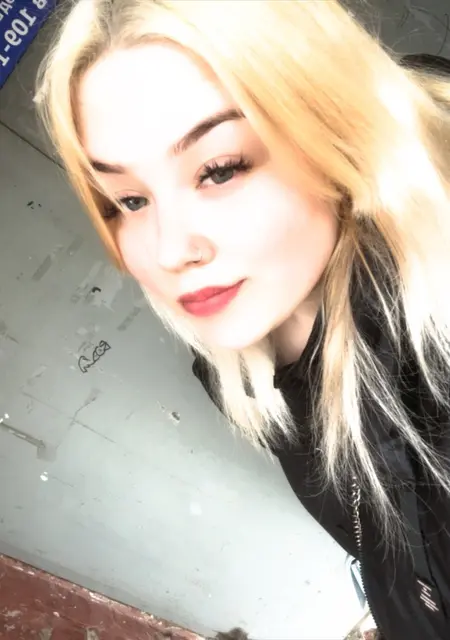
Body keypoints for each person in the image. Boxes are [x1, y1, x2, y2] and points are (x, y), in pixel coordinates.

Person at [35, 1, 450, 638]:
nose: (171, 251)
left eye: (219, 169)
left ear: (339, 129)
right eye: (129, 200)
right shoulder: (240, 368)